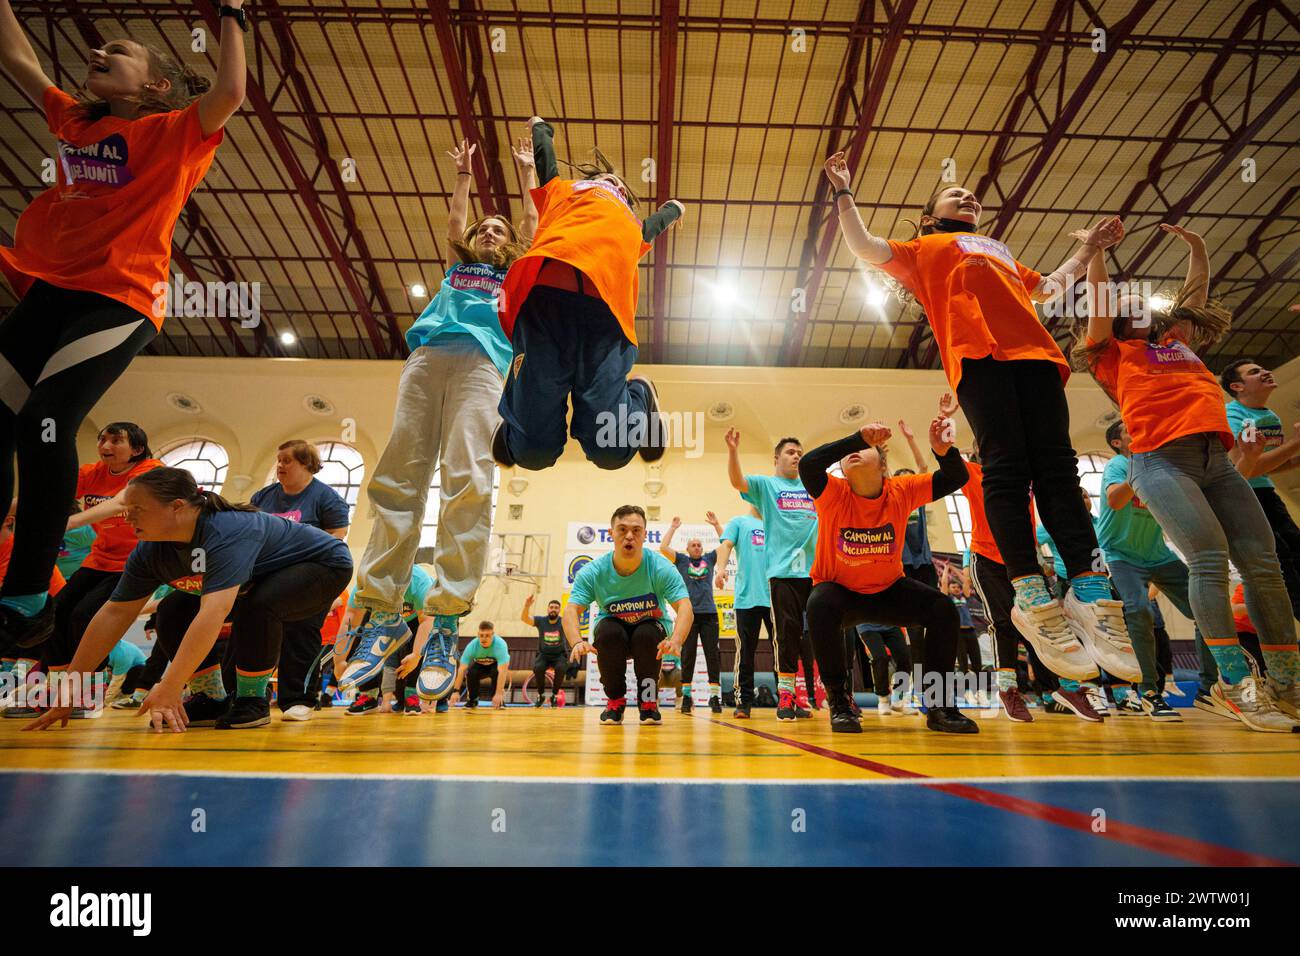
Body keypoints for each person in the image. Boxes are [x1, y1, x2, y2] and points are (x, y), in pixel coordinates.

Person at [824, 152, 1135, 678]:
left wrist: (1088, 249)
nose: (968, 197)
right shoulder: (924, 248)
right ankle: (1031, 595)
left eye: (972, 195)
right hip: (978, 357)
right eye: (954, 194)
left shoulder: (998, 248)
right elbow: (863, 246)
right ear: (929, 216)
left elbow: (1051, 286)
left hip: (1037, 358)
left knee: (1058, 469)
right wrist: (844, 192)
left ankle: (1088, 590)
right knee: (1006, 468)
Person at [0, 0, 244, 647]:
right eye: (97, 50)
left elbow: (231, 90)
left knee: (43, 418)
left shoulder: (175, 133)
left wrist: (233, 15)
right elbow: (18, 57)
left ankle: (27, 595)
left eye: (119, 51)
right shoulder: (77, 122)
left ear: (157, 85)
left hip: (121, 297)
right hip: (55, 288)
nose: (98, 54)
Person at [1074, 223, 1300, 731]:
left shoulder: (1175, 340)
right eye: (1122, 304)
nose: (1133, 306)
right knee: (1208, 559)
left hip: (1215, 461)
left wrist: (1199, 248)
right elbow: (1099, 297)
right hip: (1160, 461)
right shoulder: (1110, 354)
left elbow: (1195, 295)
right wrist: (1098, 253)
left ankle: (1288, 685)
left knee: (1265, 566)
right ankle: (1233, 684)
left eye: (1141, 303)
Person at [352, 136, 538, 704]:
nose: (488, 232)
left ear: (511, 245)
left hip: (485, 366)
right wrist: (463, 177)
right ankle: (382, 612)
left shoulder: (514, 273)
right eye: (483, 228)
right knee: (399, 477)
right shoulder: (457, 269)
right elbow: (455, 223)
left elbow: (534, 220)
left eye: (498, 231)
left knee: (468, 477)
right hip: (428, 358)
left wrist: (528, 169)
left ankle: (448, 617)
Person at [25, 467, 353, 732]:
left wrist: (169, 686)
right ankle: (210, 697)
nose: (127, 517)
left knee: (259, 606)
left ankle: (252, 700)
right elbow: (113, 614)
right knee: (171, 609)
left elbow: (214, 612)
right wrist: (72, 688)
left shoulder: (226, 530)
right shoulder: (150, 551)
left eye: (137, 509)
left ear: (177, 507)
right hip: (260, 577)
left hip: (324, 566)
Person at [493, 117, 684, 471]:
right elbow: (546, 161)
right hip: (545, 309)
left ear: (626, 198)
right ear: (588, 181)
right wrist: (540, 129)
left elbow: (656, 224)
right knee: (533, 455)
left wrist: (674, 209)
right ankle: (516, 415)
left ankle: (639, 393)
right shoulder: (564, 193)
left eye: (620, 186)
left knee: (611, 452)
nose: (612, 183)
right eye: (604, 179)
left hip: (604, 320)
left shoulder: (631, 225)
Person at [800, 412, 977, 734]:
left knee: (942, 610)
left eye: (866, 449)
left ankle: (941, 707)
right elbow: (809, 464)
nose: (853, 452)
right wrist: (859, 438)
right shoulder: (832, 493)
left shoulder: (902, 490)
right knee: (818, 603)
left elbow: (955, 477)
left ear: (882, 464)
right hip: (841, 593)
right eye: (849, 452)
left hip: (888, 590)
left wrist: (943, 450)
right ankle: (840, 702)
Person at [962, 436, 1106, 723]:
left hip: (1024, 558)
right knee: (1003, 623)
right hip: (986, 558)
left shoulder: (1022, 473)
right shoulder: (973, 474)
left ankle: (1065, 688)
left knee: (1046, 621)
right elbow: (943, 461)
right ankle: (1008, 690)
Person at [1097, 419, 1215, 721]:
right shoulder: (1119, 464)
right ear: (1117, 443)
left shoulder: (1158, 465)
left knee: (1207, 606)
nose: (1138, 430)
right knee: (1139, 610)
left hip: (1157, 554)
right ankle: (1149, 691)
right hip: (1119, 555)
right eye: (1129, 431)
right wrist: (1138, 469)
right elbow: (1114, 498)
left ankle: (1210, 688)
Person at [250, 439, 350, 721]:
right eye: (278, 460)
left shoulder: (327, 499)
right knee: (257, 631)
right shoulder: (263, 497)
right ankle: (250, 695)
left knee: (300, 633)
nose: (280, 465)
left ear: (307, 464)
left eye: (287, 460)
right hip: (267, 576)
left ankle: (299, 700)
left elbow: (336, 542)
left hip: (310, 578)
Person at [563, 506, 691, 725]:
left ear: (645, 535)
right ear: (611, 533)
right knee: (607, 631)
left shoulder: (660, 567)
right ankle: (615, 700)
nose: (629, 535)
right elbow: (571, 609)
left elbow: (685, 606)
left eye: (636, 530)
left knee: (646, 634)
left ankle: (648, 701)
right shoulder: (594, 571)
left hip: (650, 629)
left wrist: (677, 640)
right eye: (622, 529)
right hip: (614, 631)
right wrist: (576, 641)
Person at [726, 430, 819, 722]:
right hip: (778, 577)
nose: (796, 457)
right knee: (782, 638)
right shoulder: (767, 486)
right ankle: (772, 699)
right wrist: (732, 451)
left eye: (800, 453)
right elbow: (737, 482)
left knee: (814, 640)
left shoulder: (814, 486)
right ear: (777, 458)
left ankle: (832, 698)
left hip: (816, 574)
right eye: (791, 452)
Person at [1220, 358, 1300, 620]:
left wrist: (1296, 454)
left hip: (1266, 492)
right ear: (1238, 386)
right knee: (1282, 558)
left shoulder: (1270, 416)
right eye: (1255, 372)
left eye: (1264, 369)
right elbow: (1245, 468)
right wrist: (1295, 444)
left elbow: (1267, 466)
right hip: (1244, 496)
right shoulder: (1234, 416)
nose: (1265, 372)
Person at [342, 563, 433, 715]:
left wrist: (416, 655)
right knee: (362, 628)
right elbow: (349, 620)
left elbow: (428, 621)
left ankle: (412, 696)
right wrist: (339, 661)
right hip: (381, 617)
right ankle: (368, 696)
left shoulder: (420, 580)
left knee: (413, 652)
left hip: (417, 618)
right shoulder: (368, 579)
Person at [659, 513, 723, 713]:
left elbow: (727, 543)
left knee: (713, 655)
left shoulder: (710, 559)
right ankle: (686, 697)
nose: (696, 547)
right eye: (693, 545)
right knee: (688, 656)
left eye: (699, 545)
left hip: (709, 614)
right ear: (687, 549)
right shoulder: (682, 560)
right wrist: (673, 527)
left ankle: (714, 697)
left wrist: (717, 525)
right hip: (689, 616)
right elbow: (663, 548)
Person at [715, 505, 774, 718]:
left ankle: (788, 701)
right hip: (747, 597)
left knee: (782, 651)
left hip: (774, 597)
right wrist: (721, 569)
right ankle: (743, 702)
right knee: (745, 652)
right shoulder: (739, 522)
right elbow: (726, 545)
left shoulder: (774, 522)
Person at [446, 621, 511, 709]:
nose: (484, 639)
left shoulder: (500, 645)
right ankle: (473, 700)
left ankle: (499, 701)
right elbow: (461, 669)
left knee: (496, 672)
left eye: (487, 635)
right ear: (478, 634)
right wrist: (456, 691)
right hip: (479, 665)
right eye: (481, 635)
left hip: (495, 666)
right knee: (471, 673)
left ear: (493, 634)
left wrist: (499, 694)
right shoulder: (472, 646)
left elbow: (502, 671)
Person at [520, 593, 569, 707]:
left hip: (559, 655)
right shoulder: (541, 620)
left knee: (561, 668)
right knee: (538, 668)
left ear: (559, 610)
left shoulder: (564, 621)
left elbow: (574, 626)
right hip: (544, 654)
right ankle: (541, 695)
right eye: (551, 607)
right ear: (548, 609)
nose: (553, 609)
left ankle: (554, 695)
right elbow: (524, 618)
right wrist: (527, 606)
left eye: (556, 608)